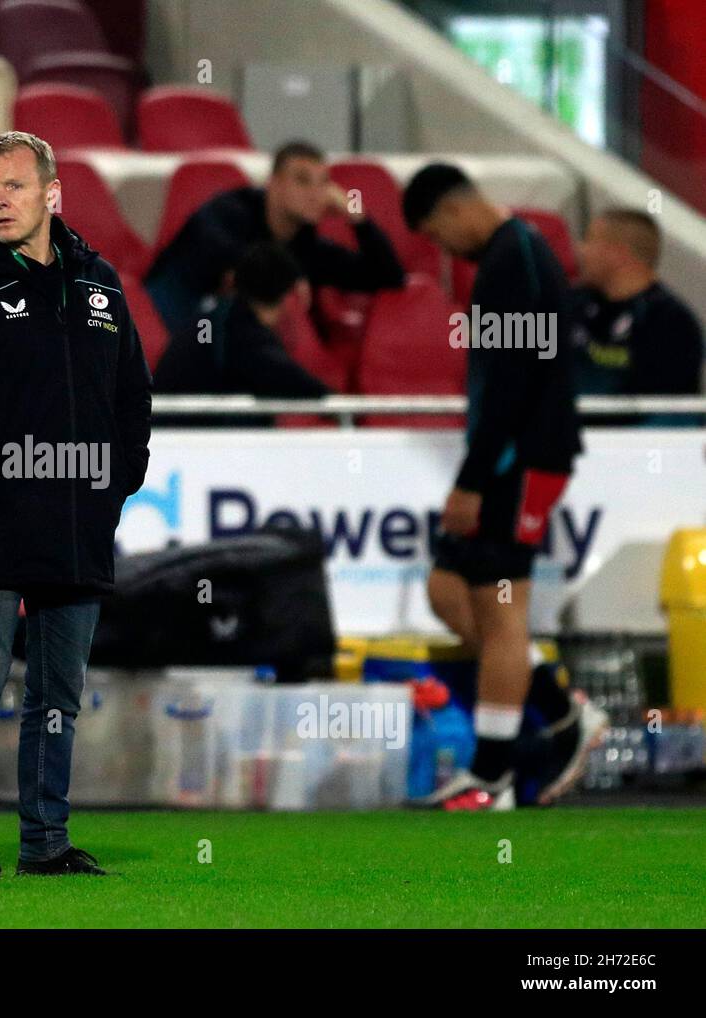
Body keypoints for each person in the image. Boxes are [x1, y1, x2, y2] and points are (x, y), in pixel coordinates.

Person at [0, 132, 153, 876]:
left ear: (53, 193)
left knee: (58, 696)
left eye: (13, 186)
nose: (0, 201)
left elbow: (132, 396)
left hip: (80, 522)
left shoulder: (102, 286)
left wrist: (117, 481)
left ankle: (46, 844)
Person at [401, 163, 605, 811]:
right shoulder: (513, 258)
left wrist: (473, 480)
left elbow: (514, 385)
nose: (442, 249)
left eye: (436, 233)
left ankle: (493, 775)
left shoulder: (514, 262)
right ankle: (561, 709)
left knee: (498, 608)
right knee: (448, 592)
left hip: (521, 460)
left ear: (455, 210)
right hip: (513, 456)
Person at [144, 139, 405, 336]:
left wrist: (357, 217)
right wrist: (289, 276)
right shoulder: (229, 210)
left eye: (324, 183)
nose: (317, 193)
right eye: (303, 181)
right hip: (164, 315)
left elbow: (388, 277)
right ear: (274, 183)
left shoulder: (308, 247)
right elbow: (225, 255)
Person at [152, 240, 331, 424]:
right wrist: (335, 403)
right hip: (184, 440)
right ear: (287, 295)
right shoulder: (241, 332)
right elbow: (295, 383)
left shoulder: (214, 317)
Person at [570, 208, 704, 425]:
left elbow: (660, 411)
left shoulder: (671, 323)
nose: (580, 250)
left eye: (589, 240)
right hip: (565, 440)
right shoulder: (573, 303)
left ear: (617, 254)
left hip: (638, 444)